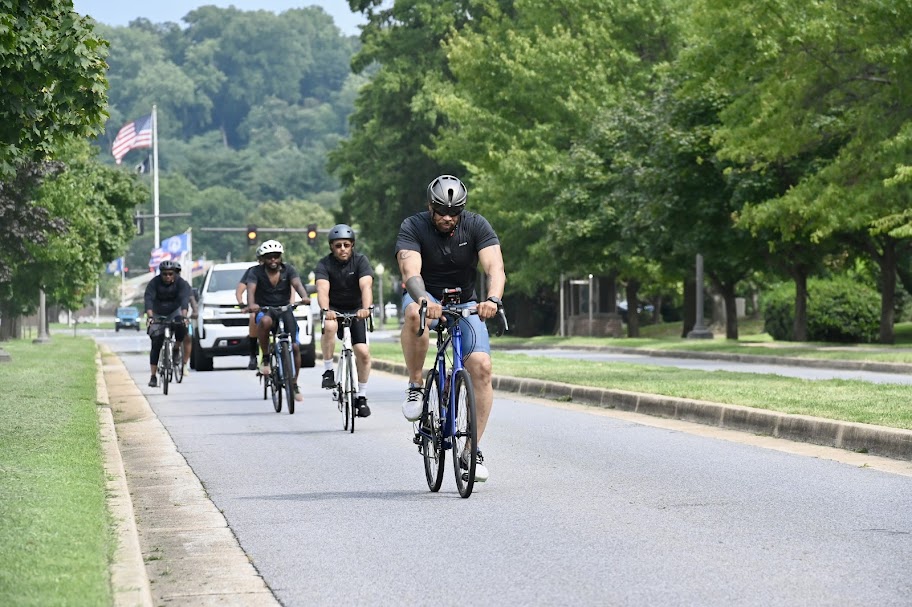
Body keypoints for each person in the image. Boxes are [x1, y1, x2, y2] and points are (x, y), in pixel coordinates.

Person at [395, 175, 505, 482]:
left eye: (454, 212)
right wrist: (423, 299)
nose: (448, 217)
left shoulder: (476, 225)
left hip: (466, 302)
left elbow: (495, 267)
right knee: (414, 314)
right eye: (442, 211)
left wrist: (492, 299)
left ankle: (471, 450)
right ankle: (416, 386)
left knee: (481, 367)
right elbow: (410, 271)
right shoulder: (413, 226)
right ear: (430, 206)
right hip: (427, 296)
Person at [315, 224, 375, 418]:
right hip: (334, 310)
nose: (342, 249)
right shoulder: (324, 264)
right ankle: (328, 371)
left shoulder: (361, 261)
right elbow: (322, 289)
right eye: (338, 245)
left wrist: (366, 308)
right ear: (331, 247)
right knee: (329, 326)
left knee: (363, 353)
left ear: (352, 245)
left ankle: (361, 397)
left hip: (357, 311)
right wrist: (326, 310)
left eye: (346, 245)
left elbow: (366, 286)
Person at [244, 239, 311, 402]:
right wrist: (252, 304)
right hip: (265, 309)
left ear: (281, 257)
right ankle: (266, 358)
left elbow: (297, 284)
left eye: (276, 256)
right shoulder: (255, 272)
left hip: (285, 309)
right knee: (265, 322)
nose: (273, 260)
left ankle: (294, 384)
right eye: (269, 257)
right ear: (263, 259)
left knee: (295, 346)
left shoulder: (289, 270)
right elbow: (251, 290)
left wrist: (304, 296)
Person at [143, 259, 192, 387]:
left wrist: (184, 316)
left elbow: (184, 300)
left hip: (175, 312)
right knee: (156, 342)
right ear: (161, 274)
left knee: (181, 325)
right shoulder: (154, 283)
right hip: (158, 312)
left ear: (174, 273)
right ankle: (153, 376)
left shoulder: (181, 283)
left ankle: (176, 348)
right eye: (164, 274)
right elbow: (148, 300)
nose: (167, 276)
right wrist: (150, 317)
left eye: (170, 274)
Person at [236, 259, 264, 370]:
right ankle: (253, 355)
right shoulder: (253, 272)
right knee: (253, 318)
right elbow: (240, 290)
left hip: (277, 304)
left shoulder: (282, 270)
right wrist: (242, 304)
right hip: (258, 306)